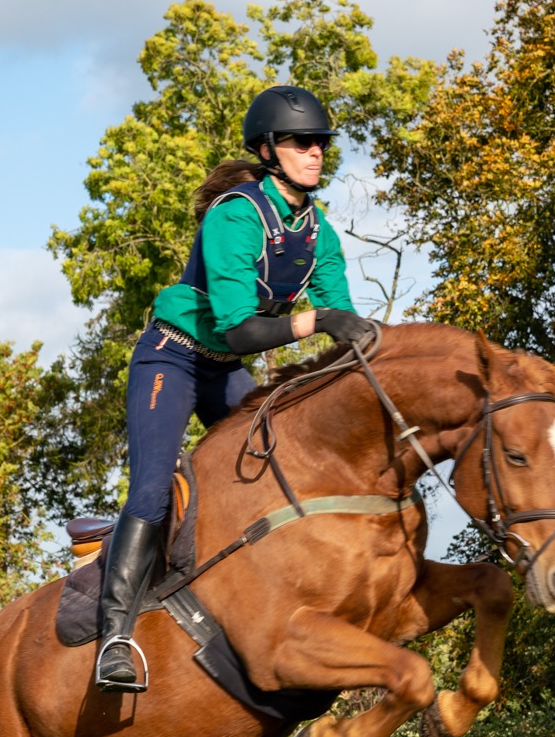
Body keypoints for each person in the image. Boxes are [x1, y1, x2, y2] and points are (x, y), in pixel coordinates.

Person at [93, 85, 372, 691]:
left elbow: (344, 323)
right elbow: (242, 330)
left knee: (274, 470)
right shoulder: (236, 214)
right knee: (153, 489)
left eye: (321, 143)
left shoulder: (318, 233)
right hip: (173, 357)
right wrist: (320, 320)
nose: (316, 152)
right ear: (268, 151)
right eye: (302, 142)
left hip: (220, 369)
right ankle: (114, 635)